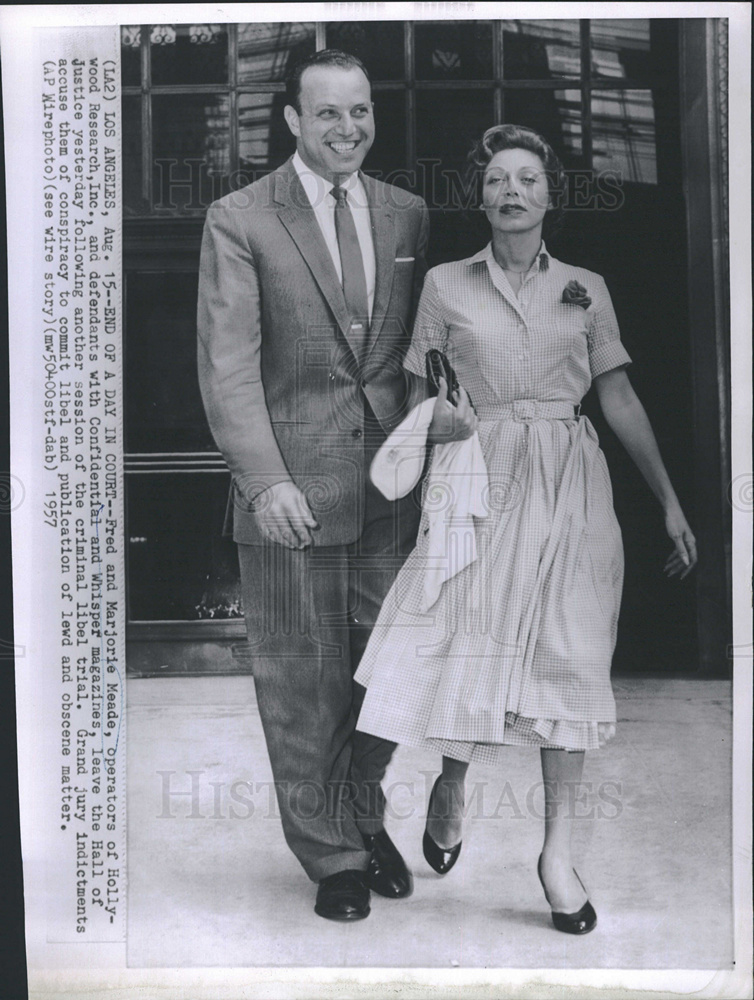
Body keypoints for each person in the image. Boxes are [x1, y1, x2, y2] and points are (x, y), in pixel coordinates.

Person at [354, 124, 697, 933]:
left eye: (529, 179)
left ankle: (556, 853)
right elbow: (415, 403)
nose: (513, 191)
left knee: (569, 657)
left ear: (550, 196)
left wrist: (671, 502)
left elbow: (616, 398)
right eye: (498, 179)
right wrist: (443, 423)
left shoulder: (586, 286)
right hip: (479, 478)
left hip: (572, 484)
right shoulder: (444, 285)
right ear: (479, 196)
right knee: (476, 640)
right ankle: (451, 779)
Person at [197, 50, 430, 922]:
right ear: (292, 120)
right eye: (328, 113)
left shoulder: (407, 215)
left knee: (391, 671)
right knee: (303, 681)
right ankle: (331, 854)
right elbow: (227, 368)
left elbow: (413, 352)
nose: (348, 130)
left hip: (392, 490)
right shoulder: (241, 218)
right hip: (291, 489)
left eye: (360, 112)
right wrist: (264, 483)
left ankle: (362, 813)